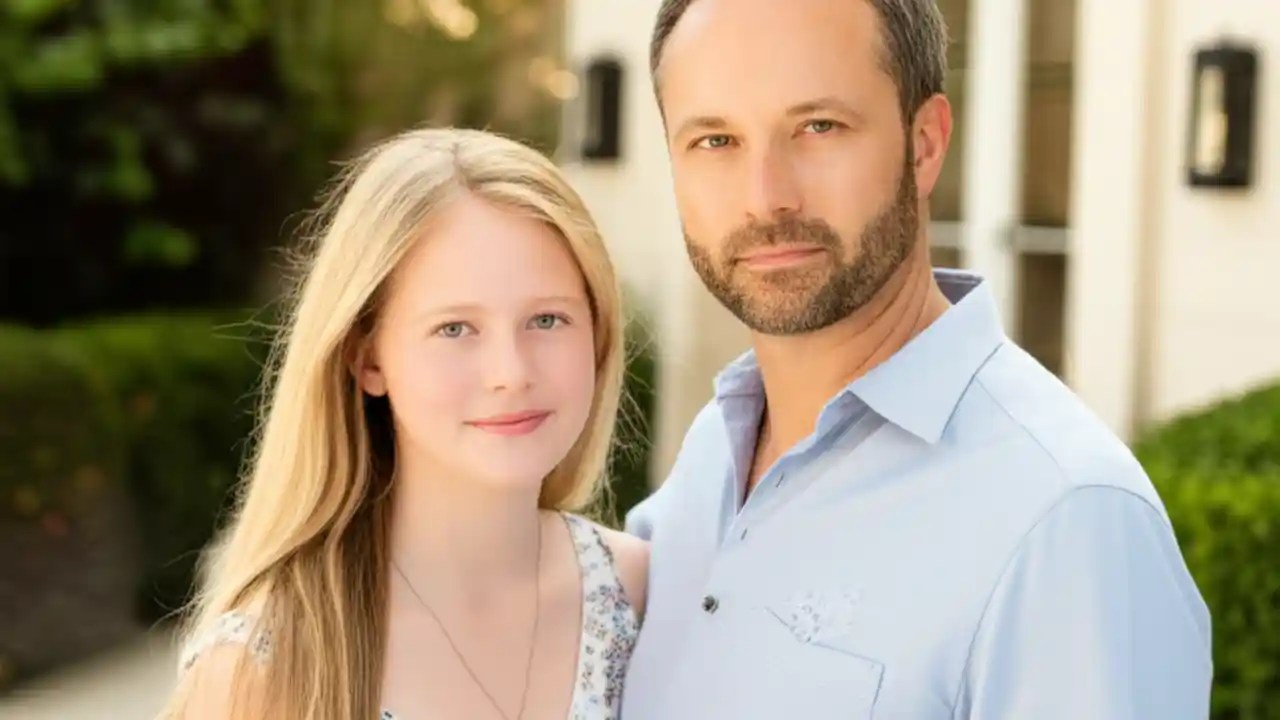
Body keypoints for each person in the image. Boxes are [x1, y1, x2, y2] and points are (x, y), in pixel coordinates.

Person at [621, 0, 1212, 717]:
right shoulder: (715, 451)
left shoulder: (1067, 518)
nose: (765, 197)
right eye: (715, 141)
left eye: (818, 127)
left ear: (925, 143)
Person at [163, 128, 647, 720]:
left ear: (597, 334)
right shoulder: (267, 665)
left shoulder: (653, 598)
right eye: (454, 328)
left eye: (547, 319)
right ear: (368, 359)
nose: (510, 372)